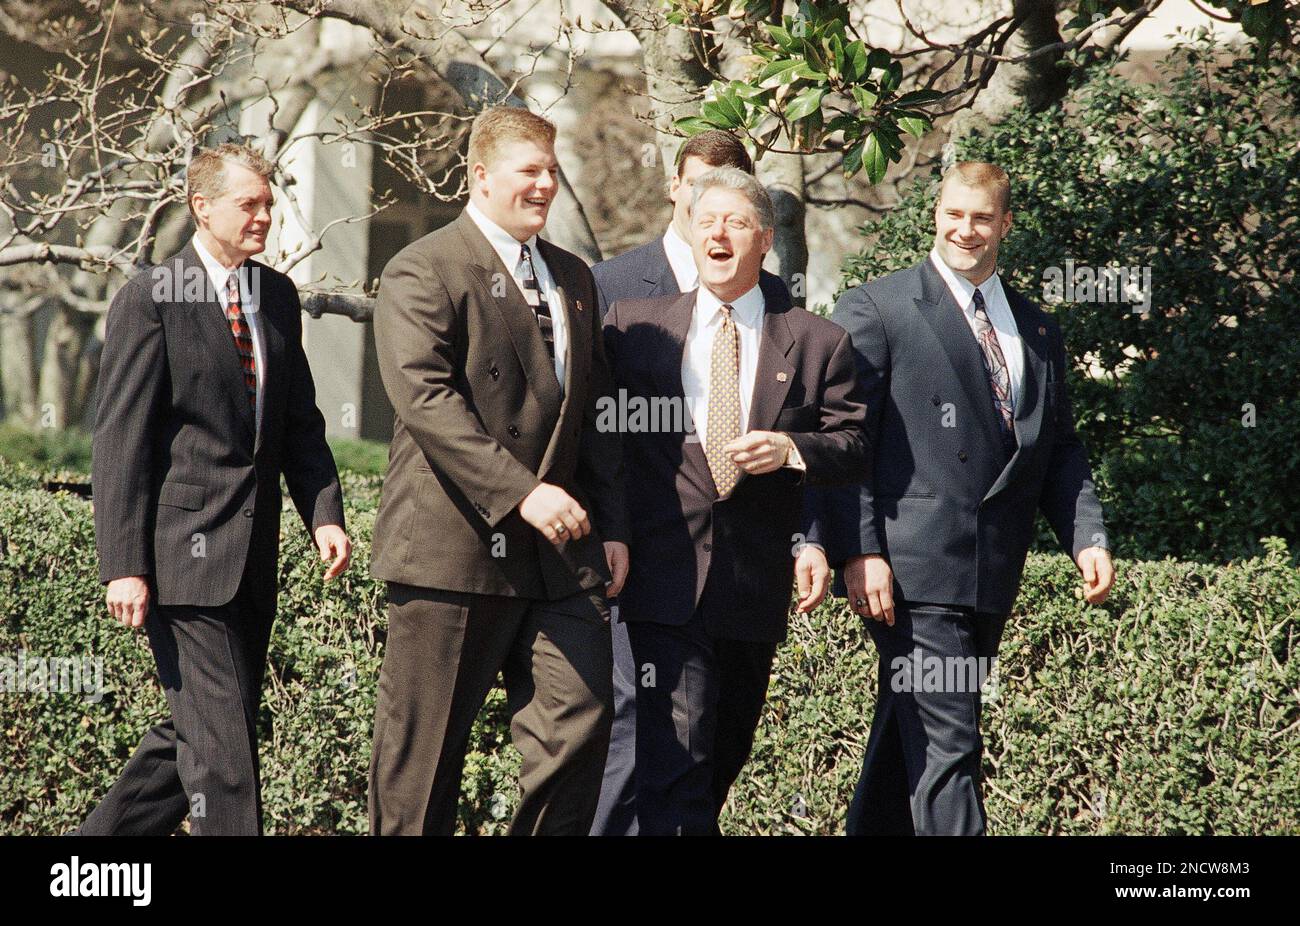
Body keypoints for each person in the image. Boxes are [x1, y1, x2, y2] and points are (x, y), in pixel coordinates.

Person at [820, 161, 1115, 836]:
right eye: (954, 213)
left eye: (982, 217)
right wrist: (859, 550)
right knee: (952, 746)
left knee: (908, 748)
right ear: (935, 214)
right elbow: (845, 442)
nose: (966, 229)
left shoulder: (1037, 330)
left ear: (1005, 224)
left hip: (990, 574)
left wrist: (1086, 537)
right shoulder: (880, 306)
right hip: (911, 572)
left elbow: (1058, 447)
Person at [367, 105, 627, 835]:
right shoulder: (424, 267)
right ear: (480, 176)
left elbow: (595, 412)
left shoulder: (575, 275)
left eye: (552, 170)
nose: (547, 184)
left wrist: (612, 525)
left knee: (580, 722)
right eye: (530, 171)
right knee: (423, 762)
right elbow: (424, 399)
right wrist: (522, 494)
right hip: (453, 551)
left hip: (561, 555)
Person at [82, 142, 350, 836]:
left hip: (251, 561)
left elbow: (299, 423)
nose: (265, 216)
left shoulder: (278, 297)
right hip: (180, 563)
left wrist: (324, 513)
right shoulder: (151, 297)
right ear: (202, 207)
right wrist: (124, 566)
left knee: (195, 736)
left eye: (269, 203)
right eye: (249, 204)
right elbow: (121, 439)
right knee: (226, 760)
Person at [603, 166, 868, 835]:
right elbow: (599, 444)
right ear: (689, 232)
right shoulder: (635, 329)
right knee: (678, 760)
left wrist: (791, 450)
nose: (717, 233)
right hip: (663, 583)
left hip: (751, 587)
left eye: (736, 221)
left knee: (721, 756)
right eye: (705, 220)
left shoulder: (815, 340)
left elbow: (857, 445)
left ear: (765, 239)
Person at [588, 128, 790, 835]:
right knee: (633, 726)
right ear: (676, 188)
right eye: (699, 186)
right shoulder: (612, 284)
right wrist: (607, 531)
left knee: (710, 740)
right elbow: (597, 432)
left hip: (735, 568)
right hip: (640, 559)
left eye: (730, 193)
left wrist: (813, 539)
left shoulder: (774, 296)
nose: (713, 208)